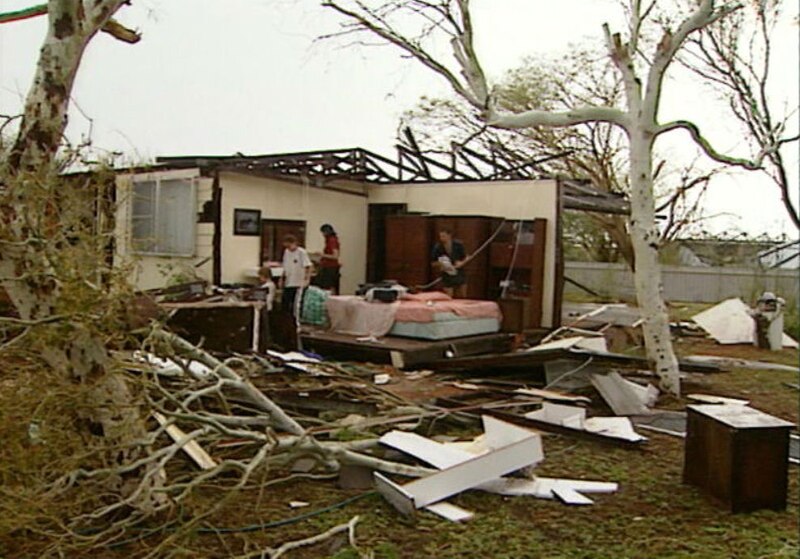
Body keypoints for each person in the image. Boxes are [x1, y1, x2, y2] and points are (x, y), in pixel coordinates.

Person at [280, 234, 312, 315]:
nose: (288, 248)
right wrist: (281, 278)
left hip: (298, 282)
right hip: (288, 282)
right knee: (285, 304)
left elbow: (308, 266)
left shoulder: (302, 252)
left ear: (294, 243)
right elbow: (285, 266)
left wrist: (307, 279)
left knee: (296, 305)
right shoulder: (286, 252)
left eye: (289, 246)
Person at [431, 228, 467, 298]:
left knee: (462, 295)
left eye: (443, 236)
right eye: (440, 236)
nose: (441, 238)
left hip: (459, 272)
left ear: (449, 236)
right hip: (446, 273)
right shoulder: (438, 247)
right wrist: (441, 264)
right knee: (448, 297)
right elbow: (433, 263)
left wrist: (461, 263)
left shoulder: (458, 245)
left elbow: (466, 257)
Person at [313, 223, 341, 294]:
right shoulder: (329, 240)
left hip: (330, 267)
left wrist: (322, 255)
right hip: (327, 266)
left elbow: (335, 256)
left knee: (325, 286)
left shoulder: (332, 241)